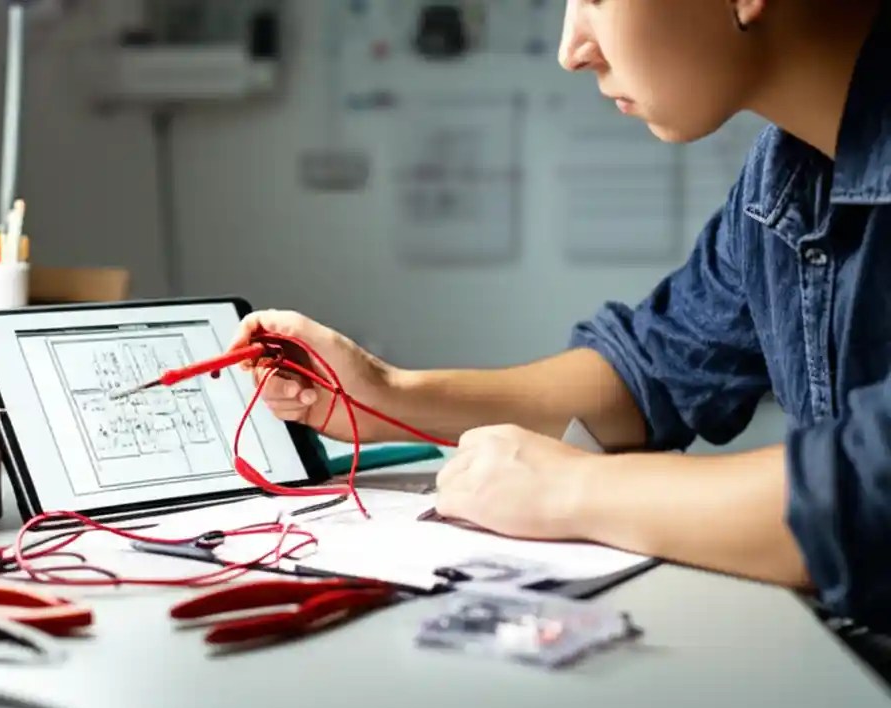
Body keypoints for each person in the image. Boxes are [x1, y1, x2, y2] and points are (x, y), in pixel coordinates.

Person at [228, 0, 891, 669]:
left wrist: (569, 491)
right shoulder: (787, 174)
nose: (572, 50)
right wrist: (384, 393)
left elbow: (872, 492)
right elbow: (647, 374)